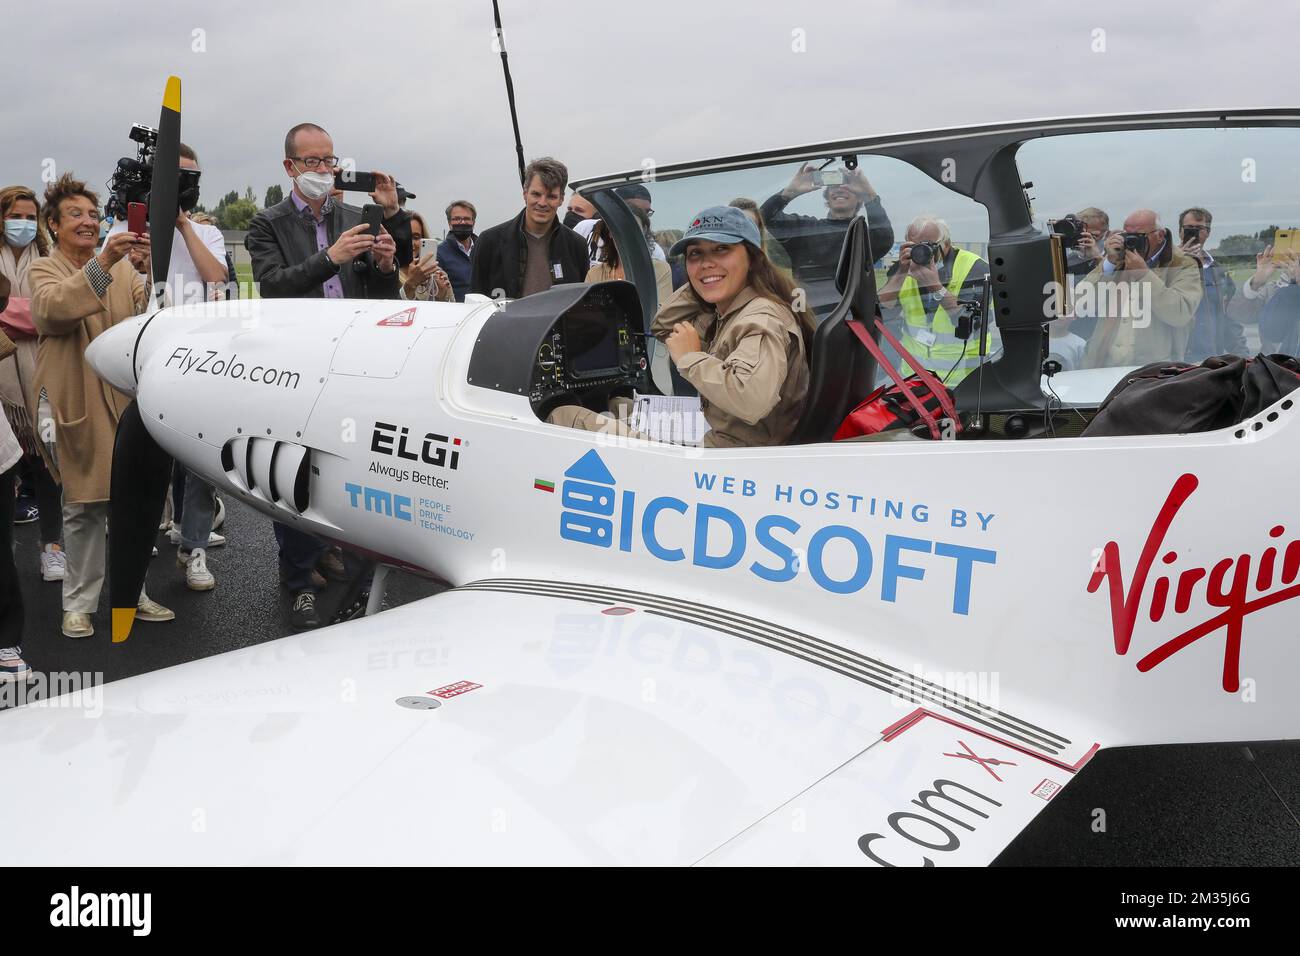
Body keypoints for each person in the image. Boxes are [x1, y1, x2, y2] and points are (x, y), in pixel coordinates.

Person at [246, 122, 405, 630]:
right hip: (299, 365)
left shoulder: (354, 216)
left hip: (353, 363)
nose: (322, 170)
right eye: (312, 162)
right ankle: (296, 581)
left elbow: (379, 296)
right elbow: (272, 287)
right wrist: (328, 258)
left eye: (329, 161)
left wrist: (382, 266)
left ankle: (332, 553)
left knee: (346, 466)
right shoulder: (266, 224)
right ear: (290, 167)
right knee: (293, 472)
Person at [28, 172, 174, 639]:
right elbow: (53, 310)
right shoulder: (44, 269)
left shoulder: (122, 267)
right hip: (73, 399)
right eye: (75, 215)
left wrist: (150, 271)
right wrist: (106, 262)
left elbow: (145, 318)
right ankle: (79, 603)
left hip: (121, 401)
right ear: (53, 224)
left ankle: (133, 594)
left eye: (93, 214)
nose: (88, 222)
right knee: (83, 504)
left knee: (129, 503)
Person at [549, 205, 811, 448]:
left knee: (563, 413)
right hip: (719, 430)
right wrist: (706, 280)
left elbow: (751, 401)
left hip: (726, 454)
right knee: (617, 403)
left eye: (722, 249)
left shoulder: (760, 319)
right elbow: (662, 326)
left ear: (753, 258)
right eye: (696, 254)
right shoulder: (733, 309)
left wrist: (690, 358)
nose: (707, 262)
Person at [105, 143, 229, 592]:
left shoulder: (205, 232)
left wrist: (180, 224)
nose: (187, 186)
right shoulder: (123, 229)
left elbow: (217, 278)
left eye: (192, 178)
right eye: (178, 178)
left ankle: (193, 546)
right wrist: (136, 258)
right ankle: (137, 538)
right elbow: (114, 286)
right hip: (140, 356)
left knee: (200, 464)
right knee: (144, 454)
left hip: (197, 357)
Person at [0, 185, 64, 582]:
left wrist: (11, 313)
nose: (23, 224)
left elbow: (53, 311)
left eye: (29, 217)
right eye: (15, 215)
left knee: (47, 465)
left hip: (43, 372)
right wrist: (34, 314)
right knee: (6, 471)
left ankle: (52, 548)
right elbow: (40, 312)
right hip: (5, 379)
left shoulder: (48, 259)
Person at [759, 165, 895, 314]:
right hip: (809, 321)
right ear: (827, 199)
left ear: (859, 199)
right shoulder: (806, 229)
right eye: (833, 187)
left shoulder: (864, 236)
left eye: (848, 186)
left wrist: (868, 193)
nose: (840, 189)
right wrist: (791, 191)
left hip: (855, 321)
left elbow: (885, 237)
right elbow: (764, 217)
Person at [1079, 209, 1202, 369]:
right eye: (1127, 235)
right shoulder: (1117, 259)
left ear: (1160, 235)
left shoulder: (1182, 264)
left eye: (1139, 236)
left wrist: (1144, 275)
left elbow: (1180, 314)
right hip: (1102, 365)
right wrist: (1108, 263)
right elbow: (1081, 301)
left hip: (1153, 372)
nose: (1131, 241)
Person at [878, 215, 993, 385]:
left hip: (962, 380)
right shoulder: (905, 266)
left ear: (945, 243)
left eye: (926, 246)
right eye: (914, 246)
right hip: (915, 379)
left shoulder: (975, 268)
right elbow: (882, 309)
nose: (920, 253)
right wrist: (901, 272)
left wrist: (935, 287)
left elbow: (974, 323)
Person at [469, 157, 589, 299]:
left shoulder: (577, 246)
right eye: (536, 194)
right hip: (505, 322)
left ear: (561, 199)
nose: (542, 203)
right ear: (525, 194)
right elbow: (475, 300)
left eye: (551, 196)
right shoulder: (490, 241)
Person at [1177, 207, 1245, 362]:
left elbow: (1228, 317)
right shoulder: (1167, 266)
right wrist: (1178, 260)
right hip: (1178, 361)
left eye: (1199, 228)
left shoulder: (1218, 272)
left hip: (1212, 360)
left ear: (1208, 233)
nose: (1194, 232)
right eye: (1189, 228)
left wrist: (1244, 357)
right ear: (1180, 232)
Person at [584, 206, 673, 307]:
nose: (628, 235)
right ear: (610, 233)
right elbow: (589, 314)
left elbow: (660, 314)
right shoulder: (595, 274)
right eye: (620, 228)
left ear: (643, 231)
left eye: (634, 229)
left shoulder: (659, 270)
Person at [401, 211, 453, 302]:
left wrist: (442, 297)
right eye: (405, 236)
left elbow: (453, 312)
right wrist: (411, 284)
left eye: (416, 237)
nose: (411, 243)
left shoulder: (437, 274)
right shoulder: (388, 273)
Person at [435, 201, 477, 301]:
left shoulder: (483, 249)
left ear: (473, 222)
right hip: (456, 312)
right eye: (457, 219)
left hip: (482, 310)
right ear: (449, 223)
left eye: (466, 219)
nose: (462, 222)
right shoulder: (439, 253)